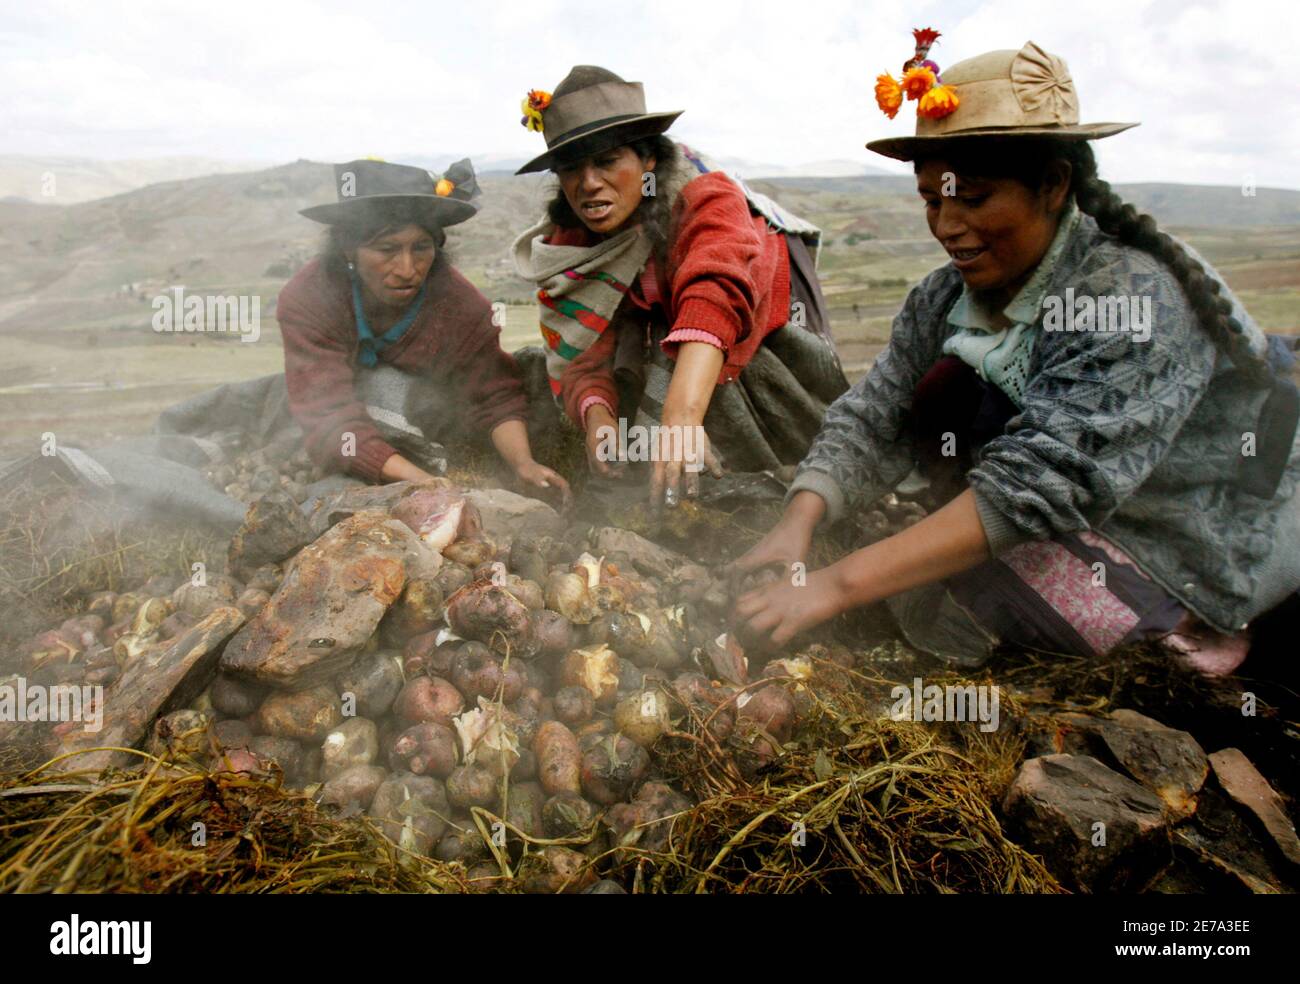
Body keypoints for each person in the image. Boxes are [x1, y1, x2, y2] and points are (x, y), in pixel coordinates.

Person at [734, 41, 1300, 674]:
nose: (947, 225)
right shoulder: (946, 293)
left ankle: (1197, 619)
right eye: (932, 200)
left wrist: (835, 585)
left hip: (1186, 518)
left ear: (1053, 185)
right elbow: (877, 408)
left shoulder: (1130, 298)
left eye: (972, 199)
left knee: (970, 602)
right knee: (942, 392)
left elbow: (1040, 479)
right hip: (1073, 499)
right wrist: (800, 519)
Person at [512, 66, 848, 512]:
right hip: (666, 334)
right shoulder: (570, 243)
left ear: (648, 160)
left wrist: (682, 418)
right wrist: (598, 417)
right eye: (571, 168)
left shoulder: (705, 199)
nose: (589, 183)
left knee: (699, 367)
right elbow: (582, 349)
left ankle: (778, 485)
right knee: (641, 366)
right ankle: (654, 483)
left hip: (749, 335)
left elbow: (715, 292)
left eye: (608, 161)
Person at [279, 158, 568, 499]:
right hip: (354, 422)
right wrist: (425, 483)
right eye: (387, 249)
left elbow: (494, 392)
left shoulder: (461, 305)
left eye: (421, 247)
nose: (407, 268)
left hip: (424, 416)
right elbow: (330, 419)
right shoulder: (308, 299)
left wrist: (523, 464)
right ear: (348, 249)